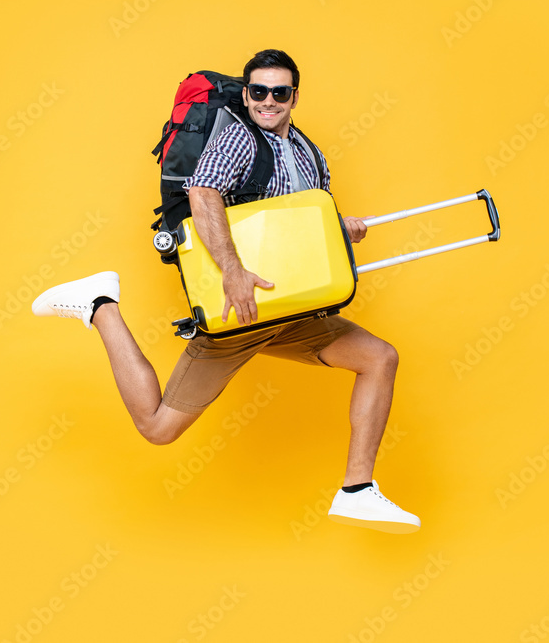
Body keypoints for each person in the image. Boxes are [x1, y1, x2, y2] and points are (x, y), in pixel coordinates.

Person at [32, 49, 419, 533]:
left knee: (379, 357)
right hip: (242, 309)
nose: (268, 102)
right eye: (259, 91)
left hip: (291, 308)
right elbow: (203, 193)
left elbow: (290, 222)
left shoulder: (306, 150)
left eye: (280, 92)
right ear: (247, 91)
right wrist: (233, 271)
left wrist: (339, 227)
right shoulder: (237, 137)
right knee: (157, 428)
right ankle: (100, 305)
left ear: (294, 96)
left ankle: (357, 491)